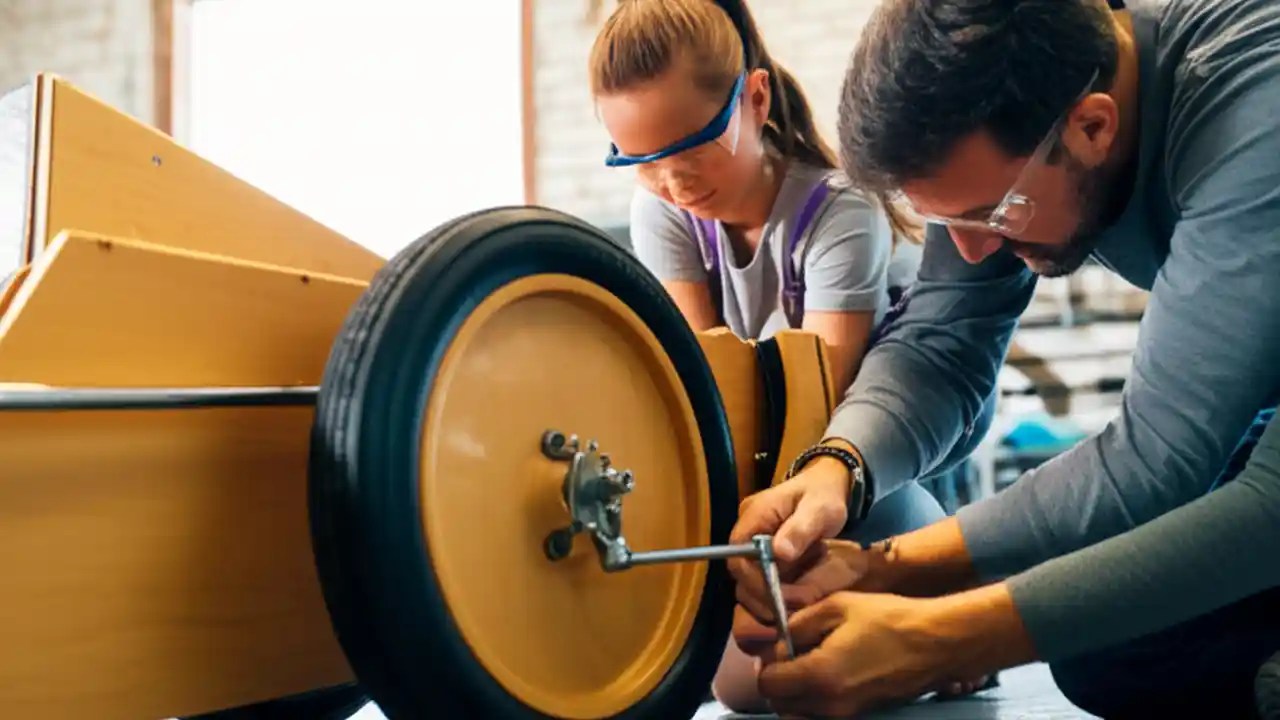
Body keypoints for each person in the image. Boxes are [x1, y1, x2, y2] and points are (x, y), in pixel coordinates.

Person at [725, 0, 1280, 717]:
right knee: (1100, 647)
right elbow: (942, 342)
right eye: (944, 222)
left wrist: (930, 625)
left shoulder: (1254, 109)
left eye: (991, 215)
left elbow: (1172, 463)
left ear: (1093, 125)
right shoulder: (1019, 142)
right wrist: (837, 469)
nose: (972, 251)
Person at [585, 0, 993, 711]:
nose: (674, 181)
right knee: (744, 686)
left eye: (690, 146)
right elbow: (700, 384)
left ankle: (949, 601)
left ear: (756, 97)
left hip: (868, 451)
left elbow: (823, 404)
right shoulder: (663, 209)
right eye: (643, 160)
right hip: (763, 458)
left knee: (840, 655)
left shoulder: (841, 210)